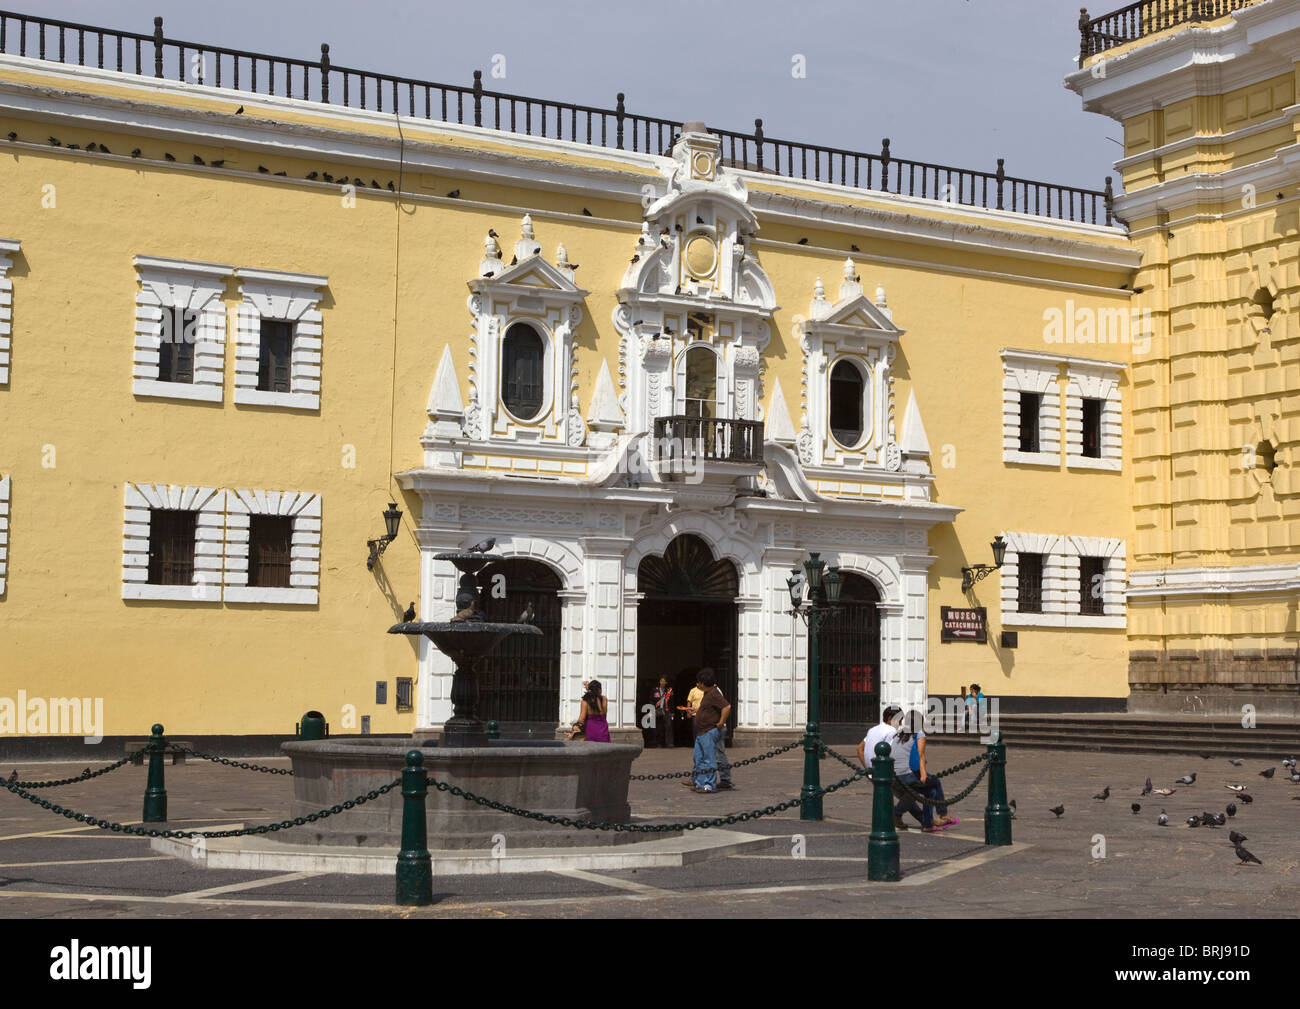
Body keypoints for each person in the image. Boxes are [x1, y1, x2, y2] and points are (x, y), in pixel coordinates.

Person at [893, 710, 957, 832]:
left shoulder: (899, 733)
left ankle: (927, 824)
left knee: (931, 791)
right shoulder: (919, 733)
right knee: (935, 781)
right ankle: (943, 813)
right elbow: (921, 755)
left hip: (894, 775)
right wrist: (923, 775)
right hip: (907, 775)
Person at [690, 668, 731, 793]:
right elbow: (708, 708)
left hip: (709, 731)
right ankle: (700, 782)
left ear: (702, 683)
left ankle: (709, 784)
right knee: (698, 758)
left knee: (709, 759)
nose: (697, 684)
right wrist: (697, 711)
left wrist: (721, 722)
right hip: (701, 731)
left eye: (698, 682)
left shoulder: (714, 693)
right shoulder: (707, 693)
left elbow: (726, 706)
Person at [857, 703, 902, 769]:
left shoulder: (872, 729)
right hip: (883, 772)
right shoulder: (891, 730)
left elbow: (859, 749)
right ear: (890, 719)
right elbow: (894, 753)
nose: (900, 724)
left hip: (871, 772)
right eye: (899, 720)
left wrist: (867, 770)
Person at [652, 676, 674, 748]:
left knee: (668, 726)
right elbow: (651, 700)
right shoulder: (655, 690)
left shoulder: (669, 691)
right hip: (658, 710)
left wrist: (672, 712)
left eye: (664, 681)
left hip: (666, 710)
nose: (662, 682)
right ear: (659, 682)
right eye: (661, 681)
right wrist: (652, 709)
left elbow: (672, 701)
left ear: (666, 682)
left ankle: (669, 743)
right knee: (659, 727)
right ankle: (659, 743)